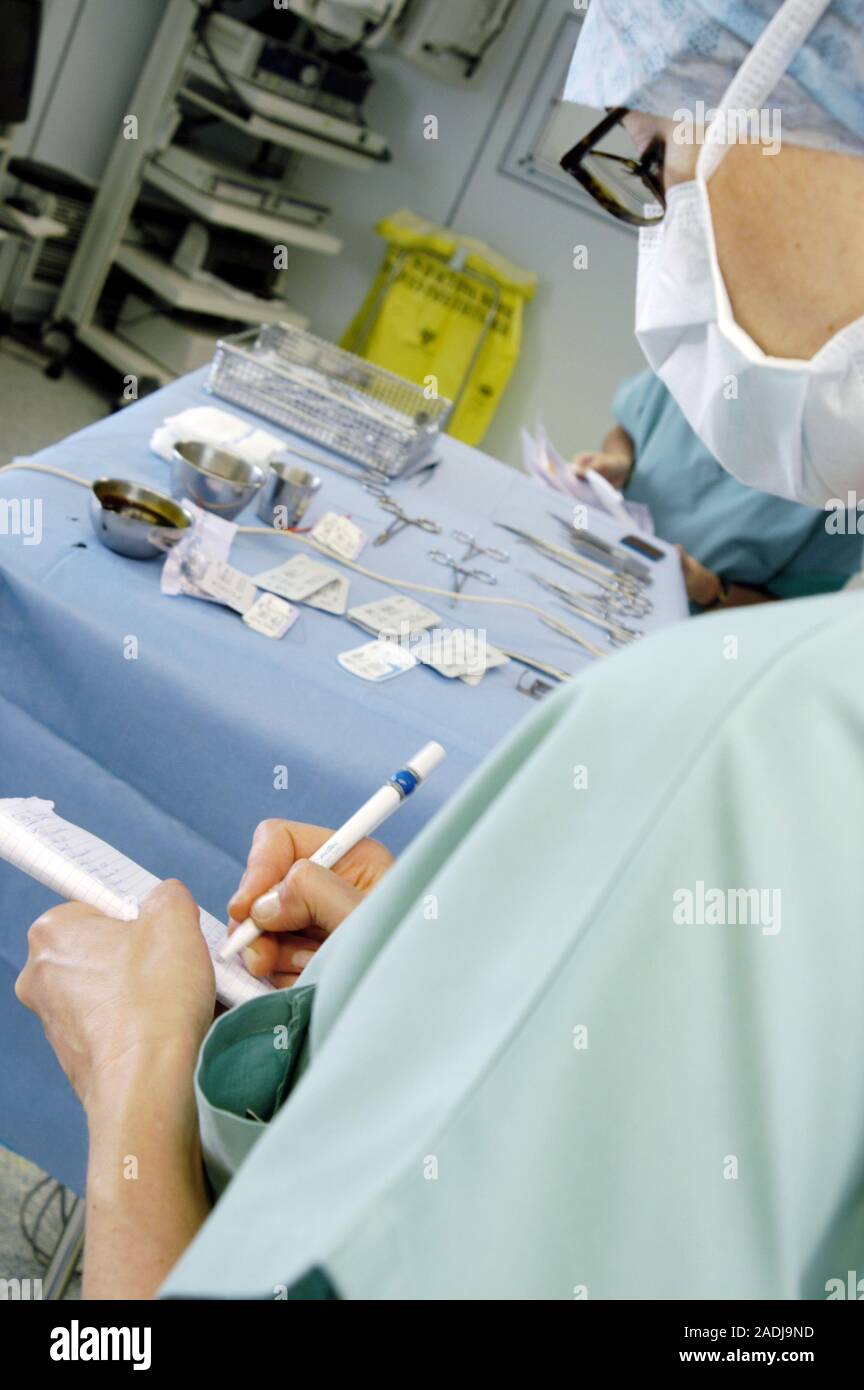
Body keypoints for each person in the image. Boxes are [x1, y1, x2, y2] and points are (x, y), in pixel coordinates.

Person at [15, 0, 864, 1299]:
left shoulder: (766, 740)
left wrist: (135, 1083)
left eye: (683, 133)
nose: (674, 191)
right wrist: (416, 962)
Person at [572, 369, 863, 609]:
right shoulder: (712, 361)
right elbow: (625, 430)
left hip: (665, 631)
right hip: (585, 566)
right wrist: (621, 461)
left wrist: (707, 589)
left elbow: (783, 612)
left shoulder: (849, 492)